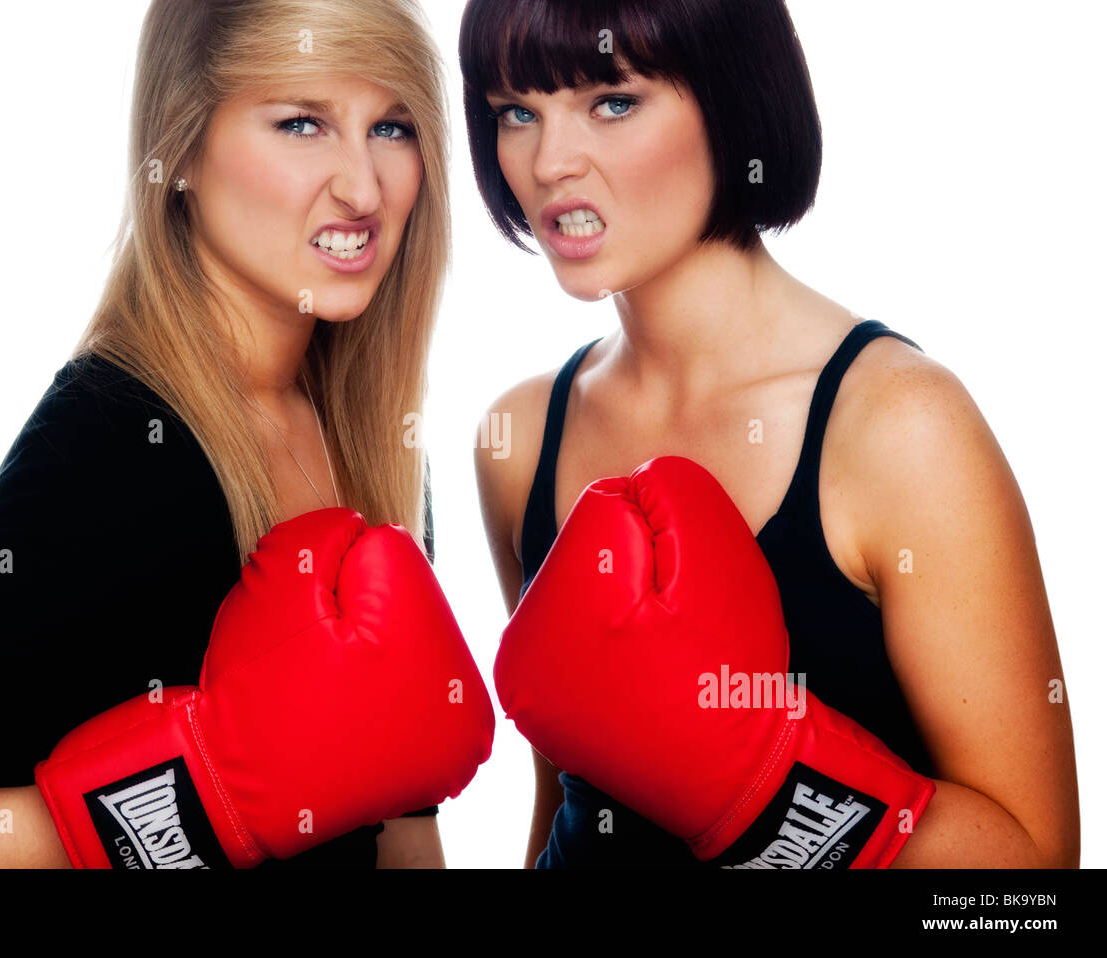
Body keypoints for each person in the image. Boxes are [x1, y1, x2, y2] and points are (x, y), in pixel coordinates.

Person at [0, 0, 463, 869]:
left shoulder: (370, 440)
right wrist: (198, 797)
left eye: (392, 126)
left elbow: (398, 830)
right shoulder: (112, 445)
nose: (363, 187)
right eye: (301, 122)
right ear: (185, 150)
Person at [462, 0, 1079, 867]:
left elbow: (1029, 885)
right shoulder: (520, 437)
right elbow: (559, 801)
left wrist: (764, 783)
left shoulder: (901, 428)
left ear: (731, 97)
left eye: (613, 100)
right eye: (515, 112)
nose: (548, 161)